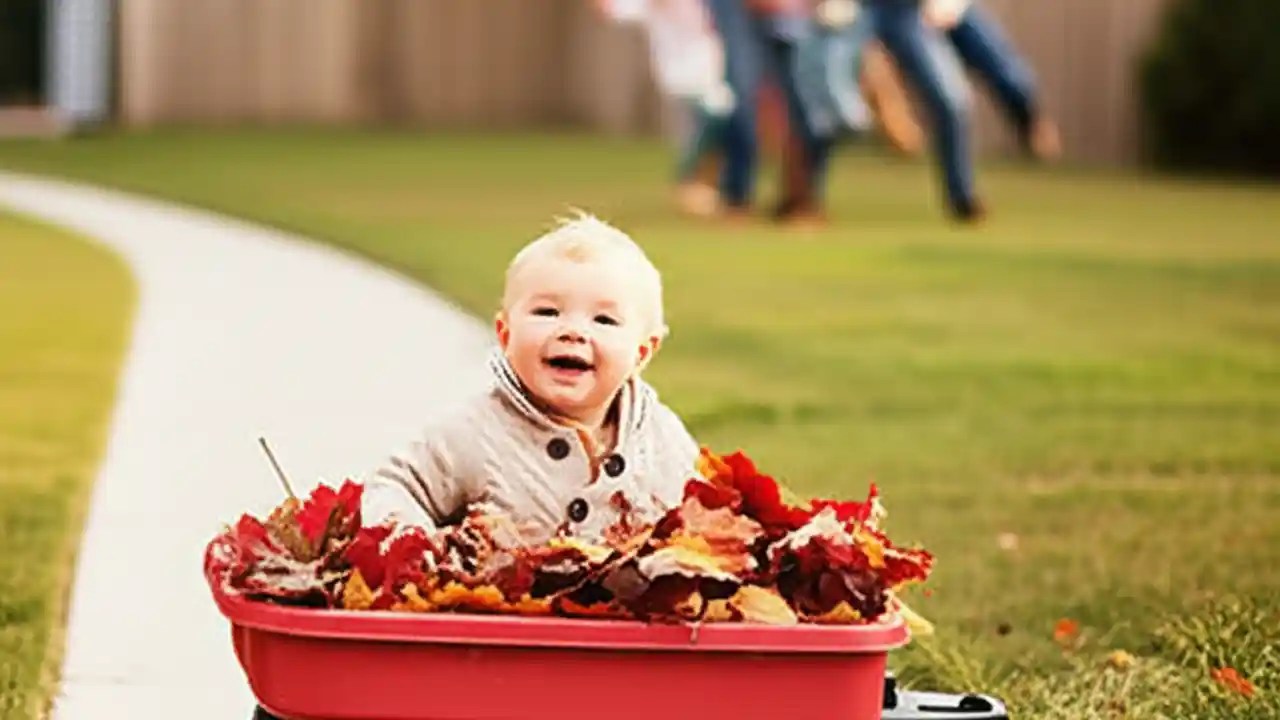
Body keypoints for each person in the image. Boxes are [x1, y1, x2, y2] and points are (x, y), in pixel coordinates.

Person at [362, 213, 701, 543]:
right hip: (499, 597)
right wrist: (414, 544)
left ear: (642, 353)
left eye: (604, 320)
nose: (572, 331)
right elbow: (395, 486)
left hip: (625, 600)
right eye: (547, 312)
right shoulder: (475, 432)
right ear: (505, 334)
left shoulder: (662, 439)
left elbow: (700, 517)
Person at [595, 0, 737, 217]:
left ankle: (703, 181)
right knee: (710, 118)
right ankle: (689, 179)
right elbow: (611, 11)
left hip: (710, 71)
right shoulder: (649, 6)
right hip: (680, 74)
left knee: (718, 120)